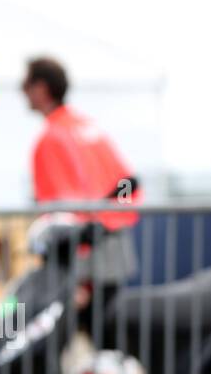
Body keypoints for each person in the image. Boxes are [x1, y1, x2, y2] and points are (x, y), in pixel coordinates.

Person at [22, 55, 141, 281]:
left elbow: (59, 211)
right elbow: (128, 183)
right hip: (112, 245)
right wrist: (114, 217)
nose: (23, 93)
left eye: (25, 85)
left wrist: (96, 225)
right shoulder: (88, 127)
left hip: (82, 253)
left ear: (41, 88)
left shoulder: (51, 138)